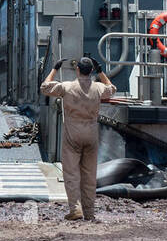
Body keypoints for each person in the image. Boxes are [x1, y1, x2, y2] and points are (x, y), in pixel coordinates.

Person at [41, 56, 117, 220]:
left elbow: (45, 87)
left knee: (71, 174)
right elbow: (112, 89)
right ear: (91, 71)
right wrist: (101, 71)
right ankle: (89, 212)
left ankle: (75, 209)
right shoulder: (97, 88)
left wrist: (55, 68)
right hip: (91, 134)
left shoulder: (67, 87)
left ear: (77, 70)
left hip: (72, 135)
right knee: (89, 175)